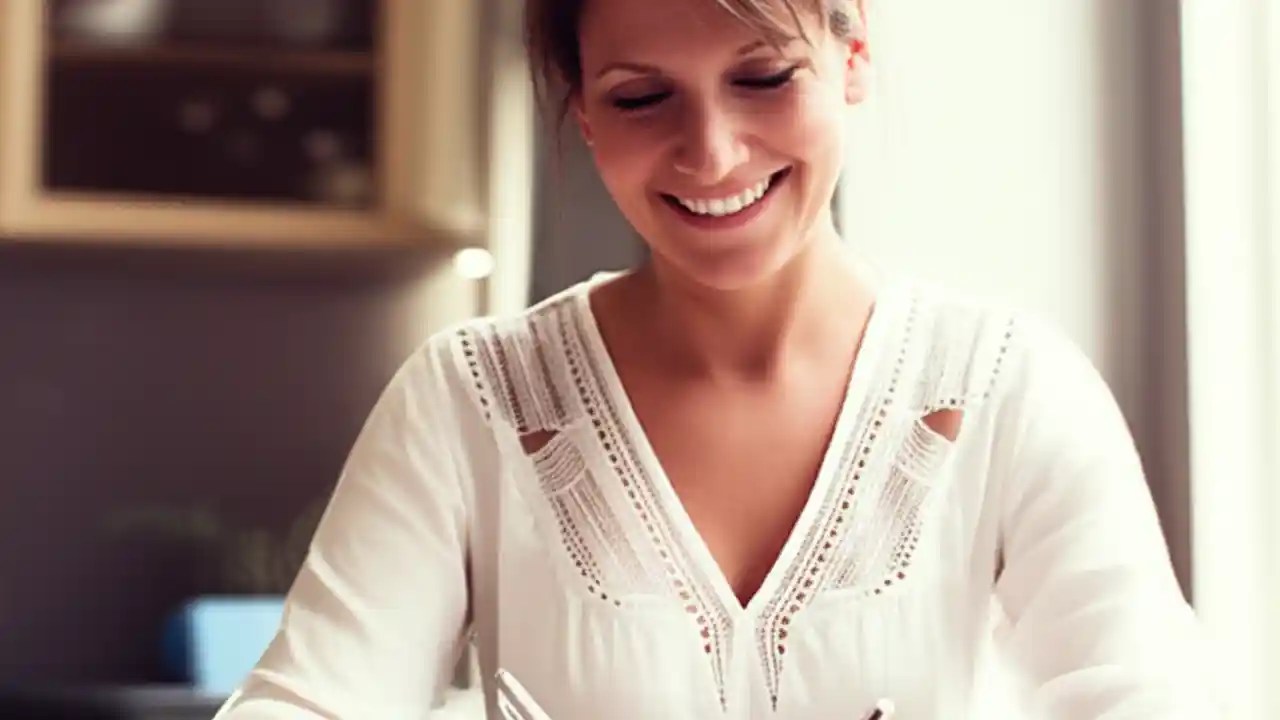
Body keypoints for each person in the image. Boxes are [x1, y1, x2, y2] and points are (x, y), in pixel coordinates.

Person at [215, 0, 1223, 717]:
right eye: (641, 98)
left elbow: (1143, 696)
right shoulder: (469, 398)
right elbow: (317, 697)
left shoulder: (1009, 386)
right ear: (580, 112)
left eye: (761, 78)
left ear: (851, 56)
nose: (711, 153)